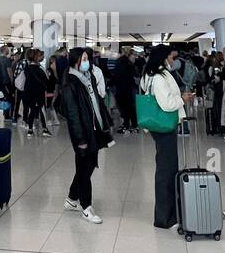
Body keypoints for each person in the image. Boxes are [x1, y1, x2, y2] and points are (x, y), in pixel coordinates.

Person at [141, 45, 195, 229]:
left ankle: (168, 213)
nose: (173, 61)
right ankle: (164, 218)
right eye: (171, 57)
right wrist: (183, 99)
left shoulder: (149, 75)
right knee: (166, 171)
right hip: (164, 127)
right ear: (163, 58)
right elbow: (166, 104)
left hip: (159, 127)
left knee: (167, 169)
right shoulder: (158, 77)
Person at [56, 47, 106, 224]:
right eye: (84, 59)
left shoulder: (87, 78)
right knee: (84, 170)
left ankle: (71, 198)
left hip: (93, 129)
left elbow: (96, 102)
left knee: (89, 165)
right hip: (83, 133)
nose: (87, 62)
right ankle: (86, 207)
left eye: (88, 59)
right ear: (76, 61)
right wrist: (80, 139)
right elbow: (73, 114)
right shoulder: (70, 83)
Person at [21, 49, 52, 137]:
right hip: (39, 93)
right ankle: (45, 129)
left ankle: (30, 130)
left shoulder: (26, 68)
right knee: (42, 110)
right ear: (36, 57)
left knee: (32, 110)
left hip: (28, 92)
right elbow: (46, 82)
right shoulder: (40, 69)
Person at [112, 48, 138, 132]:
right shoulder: (128, 64)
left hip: (121, 89)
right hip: (128, 88)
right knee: (130, 107)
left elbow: (116, 76)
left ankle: (126, 124)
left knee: (124, 108)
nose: (134, 58)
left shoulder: (120, 62)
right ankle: (133, 124)